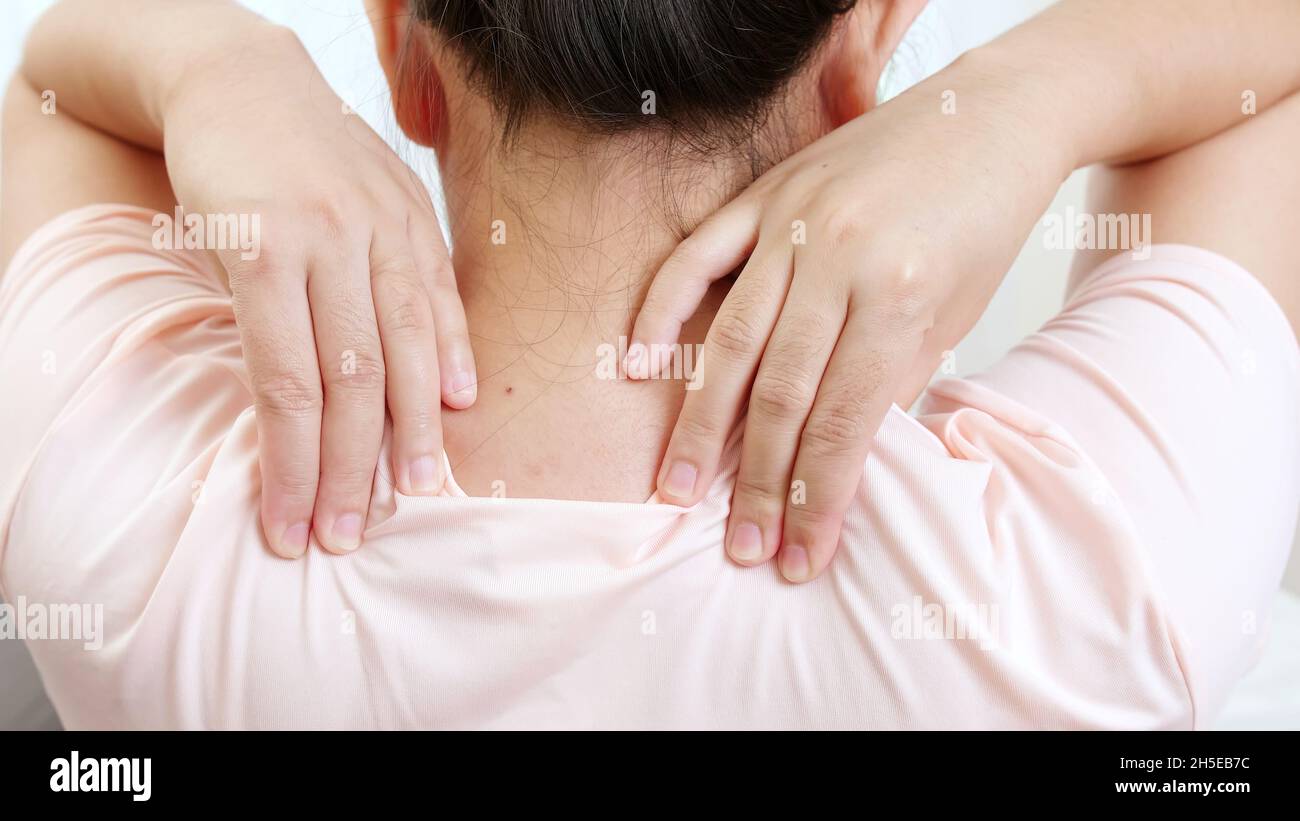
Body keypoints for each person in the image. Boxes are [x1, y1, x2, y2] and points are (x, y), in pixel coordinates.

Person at [0, 0, 1296, 728]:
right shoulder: (1090, 591)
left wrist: (227, 65)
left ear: (400, 48)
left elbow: (50, 94)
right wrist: (1021, 95)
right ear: (864, 47)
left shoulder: (132, 538)